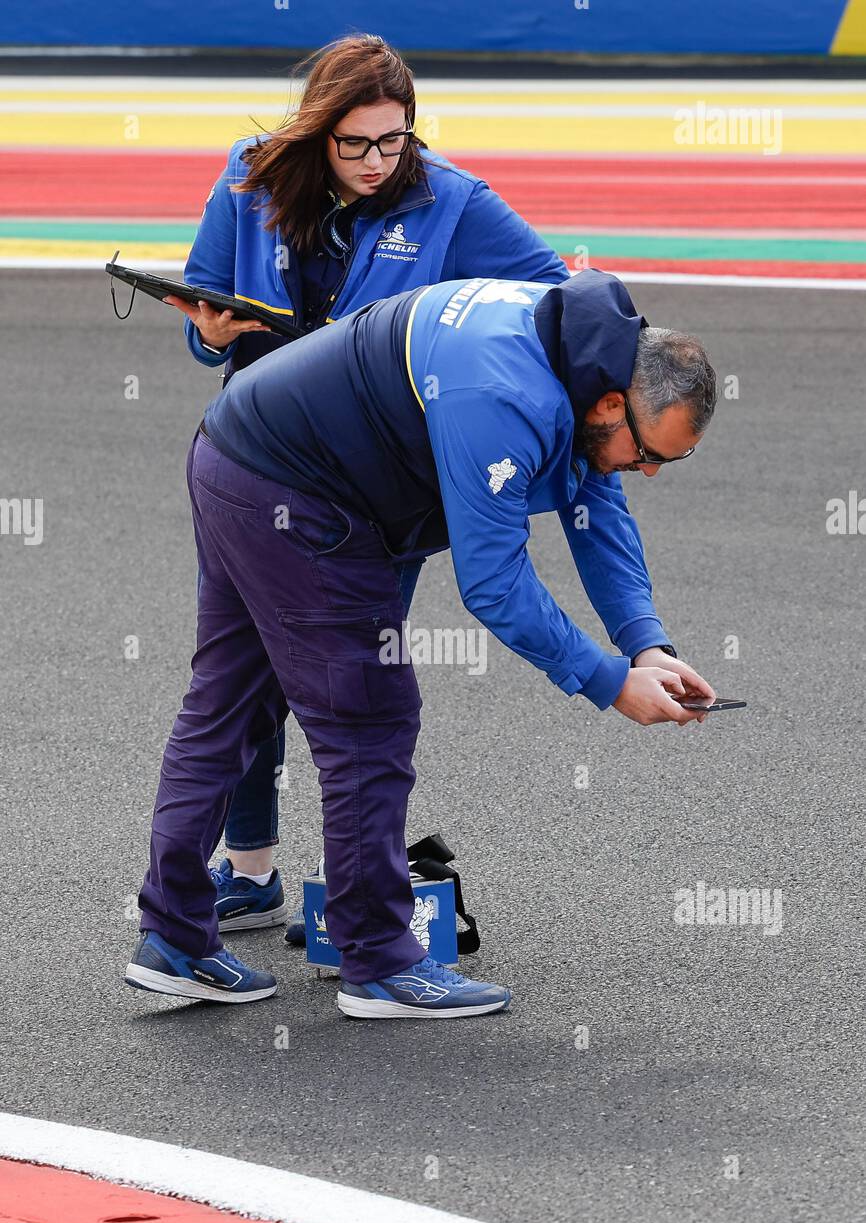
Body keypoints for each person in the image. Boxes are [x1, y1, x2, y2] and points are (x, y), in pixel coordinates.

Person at [126, 268, 717, 1021]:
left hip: (237, 454)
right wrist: (606, 681)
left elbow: (595, 501)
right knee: (369, 718)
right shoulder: (506, 395)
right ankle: (377, 962)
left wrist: (645, 645)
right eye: (649, 453)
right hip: (299, 497)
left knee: (231, 703)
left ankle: (175, 938)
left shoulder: (585, 356)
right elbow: (495, 583)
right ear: (612, 403)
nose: (652, 472)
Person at [164, 33, 569, 938]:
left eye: (397, 140)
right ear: (317, 133)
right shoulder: (250, 175)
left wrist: (475, 375)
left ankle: (368, 915)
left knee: (357, 691)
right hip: (255, 462)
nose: (380, 162)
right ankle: (252, 872)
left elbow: (558, 302)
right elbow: (200, 315)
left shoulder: (453, 199)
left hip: (378, 490)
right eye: (358, 144)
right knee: (242, 677)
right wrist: (212, 335)